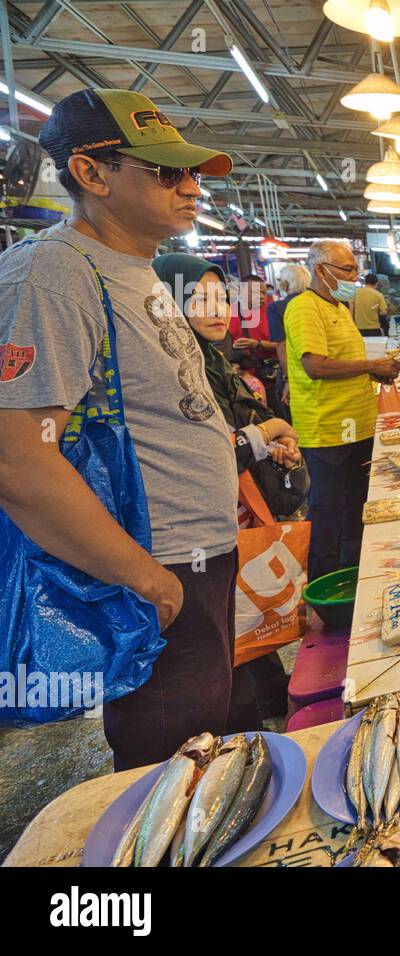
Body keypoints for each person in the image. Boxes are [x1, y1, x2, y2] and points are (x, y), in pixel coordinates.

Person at [0, 88, 238, 769]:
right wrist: (146, 581)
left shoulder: (133, 269)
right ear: (92, 173)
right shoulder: (54, 273)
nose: (191, 188)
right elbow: (18, 459)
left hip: (194, 559)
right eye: (166, 172)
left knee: (204, 749)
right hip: (154, 575)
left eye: (190, 173)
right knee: (171, 767)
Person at [152, 253, 302, 724]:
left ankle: (268, 711)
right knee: (219, 647)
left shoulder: (213, 360)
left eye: (221, 298)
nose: (217, 310)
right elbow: (208, 450)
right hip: (192, 532)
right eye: (199, 299)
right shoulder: (169, 370)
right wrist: (271, 428)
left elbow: (243, 430)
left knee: (245, 622)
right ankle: (242, 739)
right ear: (167, 305)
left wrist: (277, 441)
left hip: (235, 515)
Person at [285, 240, 400, 582]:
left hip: (356, 427)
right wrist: (370, 365)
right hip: (328, 430)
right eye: (347, 269)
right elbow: (315, 366)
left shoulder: (337, 307)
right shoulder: (304, 307)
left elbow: (342, 360)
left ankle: (353, 579)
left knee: (353, 510)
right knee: (328, 512)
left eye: (354, 269)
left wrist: (372, 369)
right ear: (321, 270)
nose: (354, 275)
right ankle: (325, 585)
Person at [265, 263, 309, 416]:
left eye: (279, 279)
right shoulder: (316, 304)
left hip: (296, 371)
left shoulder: (276, 308)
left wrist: (288, 379)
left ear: (285, 283)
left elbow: (282, 346)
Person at [352, 273, 389, 338]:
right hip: (374, 328)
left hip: (358, 328)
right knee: (375, 347)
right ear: (376, 283)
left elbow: (351, 310)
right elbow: (384, 312)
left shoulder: (355, 293)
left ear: (365, 282)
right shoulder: (378, 295)